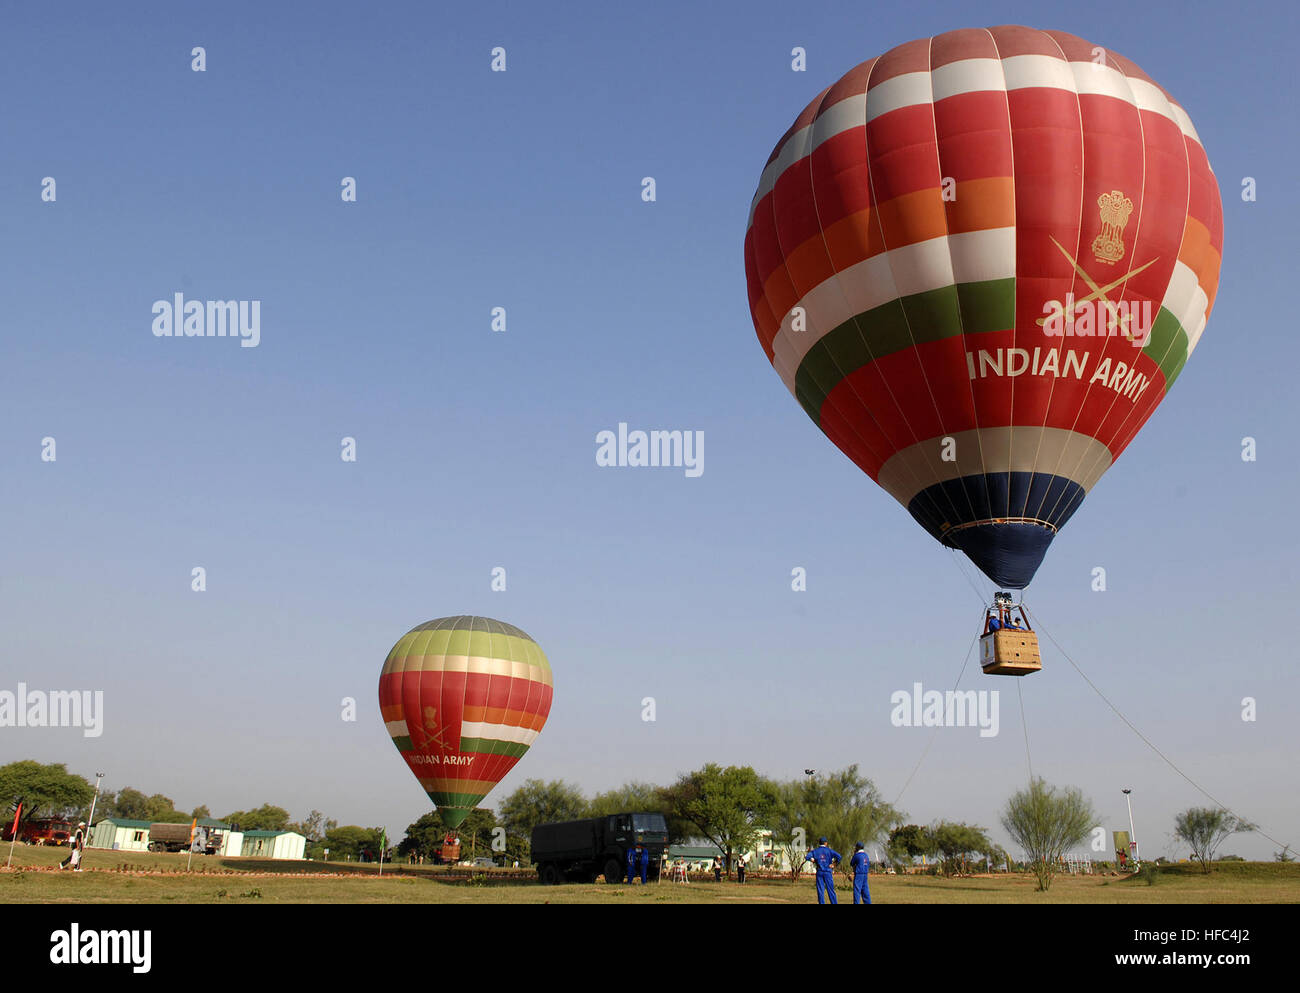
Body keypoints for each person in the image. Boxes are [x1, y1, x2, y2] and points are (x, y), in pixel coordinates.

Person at [804, 837, 841, 904]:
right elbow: (839, 857)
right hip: (828, 872)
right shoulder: (829, 850)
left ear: (819, 843)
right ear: (826, 843)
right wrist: (834, 864)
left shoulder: (815, 851)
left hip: (820, 872)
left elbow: (807, 857)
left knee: (820, 890)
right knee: (830, 890)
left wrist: (813, 860)